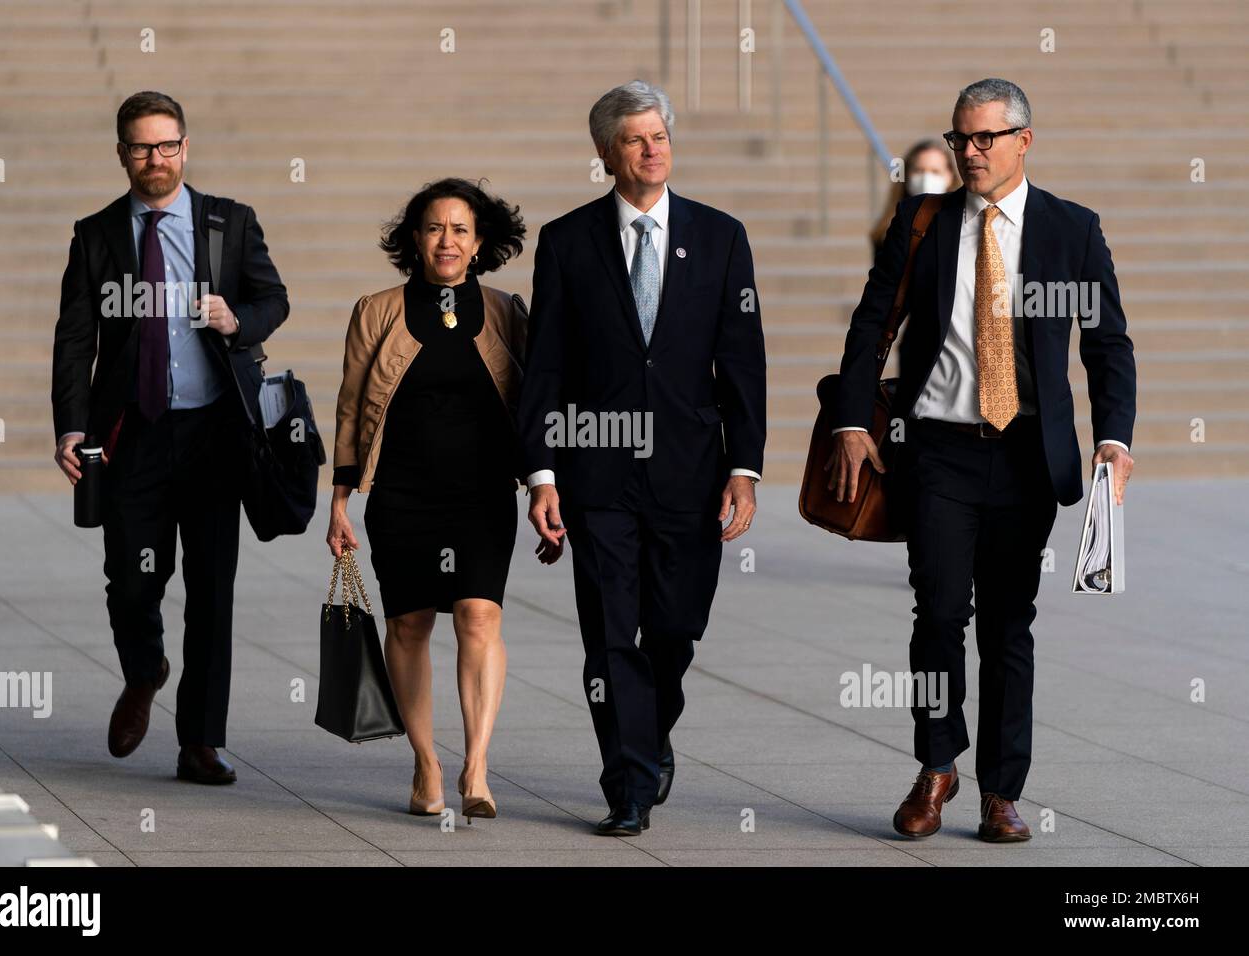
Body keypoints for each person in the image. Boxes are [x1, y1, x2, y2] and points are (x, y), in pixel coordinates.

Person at [826, 78, 1136, 842]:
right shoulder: (924, 221)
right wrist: (849, 420)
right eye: (961, 138)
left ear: (1023, 139)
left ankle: (1002, 790)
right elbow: (874, 319)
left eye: (984, 139)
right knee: (936, 611)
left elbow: (1107, 345)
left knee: (1007, 624)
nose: (969, 152)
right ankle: (937, 766)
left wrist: (1115, 437)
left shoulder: (1071, 231)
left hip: (1028, 456)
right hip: (938, 450)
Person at [518, 81, 767, 836]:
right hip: (597, 476)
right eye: (634, 138)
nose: (652, 149)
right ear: (605, 154)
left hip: (691, 473)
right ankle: (627, 779)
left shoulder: (722, 237)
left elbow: (742, 362)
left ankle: (651, 734)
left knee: (674, 629)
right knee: (611, 632)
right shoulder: (567, 242)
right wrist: (543, 474)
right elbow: (547, 368)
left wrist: (744, 467)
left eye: (659, 135)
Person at [51, 91, 289, 784]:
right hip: (133, 432)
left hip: (215, 432)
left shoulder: (229, 223)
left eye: (166, 145)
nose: (154, 159)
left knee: (212, 588)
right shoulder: (96, 234)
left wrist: (234, 318)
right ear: (121, 152)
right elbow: (75, 339)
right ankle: (145, 666)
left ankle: (201, 742)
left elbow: (274, 300)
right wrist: (72, 423)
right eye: (140, 147)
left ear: (185, 147)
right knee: (130, 579)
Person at [328, 177, 550, 823]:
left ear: (481, 242)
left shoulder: (509, 311)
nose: (446, 240)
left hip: (481, 492)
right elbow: (349, 409)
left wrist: (544, 485)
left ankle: (476, 767)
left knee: (480, 617)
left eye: (460, 228)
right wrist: (340, 501)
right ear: (414, 240)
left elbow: (536, 408)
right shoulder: (377, 309)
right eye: (433, 227)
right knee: (410, 624)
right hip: (401, 493)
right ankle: (426, 762)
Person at [869, 139, 961, 255]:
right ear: (906, 175)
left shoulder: (963, 224)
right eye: (919, 170)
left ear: (950, 176)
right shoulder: (887, 231)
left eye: (935, 171)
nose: (926, 178)